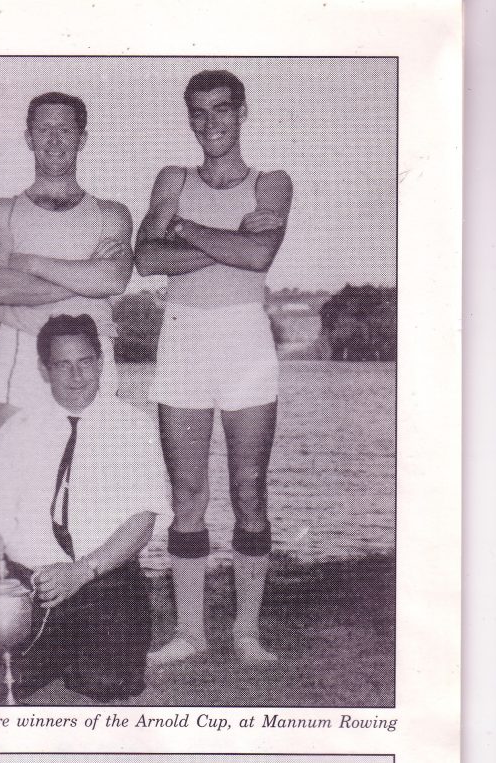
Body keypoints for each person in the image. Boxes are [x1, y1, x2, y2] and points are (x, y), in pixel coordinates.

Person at [134, 70, 293, 665]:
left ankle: (246, 632)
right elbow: (147, 259)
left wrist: (187, 233)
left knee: (249, 490)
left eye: (220, 110)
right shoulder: (171, 179)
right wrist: (221, 242)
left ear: (242, 111)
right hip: (183, 336)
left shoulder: (271, 183)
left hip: (244, 335)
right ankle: (190, 633)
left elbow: (258, 255)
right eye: (198, 112)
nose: (209, 123)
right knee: (188, 494)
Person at [0, 315, 170, 703]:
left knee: (107, 685)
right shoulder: (16, 432)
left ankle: (69, 654)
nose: (75, 376)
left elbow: (142, 521)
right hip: (31, 587)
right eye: (62, 365)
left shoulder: (135, 428)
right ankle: (49, 651)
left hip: (105, 580)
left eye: (85, 361)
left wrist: (81, 571)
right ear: (43, 369)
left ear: (101, 362)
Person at [0, 92, 133, 433]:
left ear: (82, 139)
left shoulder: (111, 214)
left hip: (91, 354)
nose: (53, 139)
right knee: (15, 468)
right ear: (28, 137)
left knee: (93, 471)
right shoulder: (0, 210)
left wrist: (31, 263)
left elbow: (113, 281)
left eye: (64, 129)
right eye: (44, 128)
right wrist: (83, 274)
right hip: (20, 348)